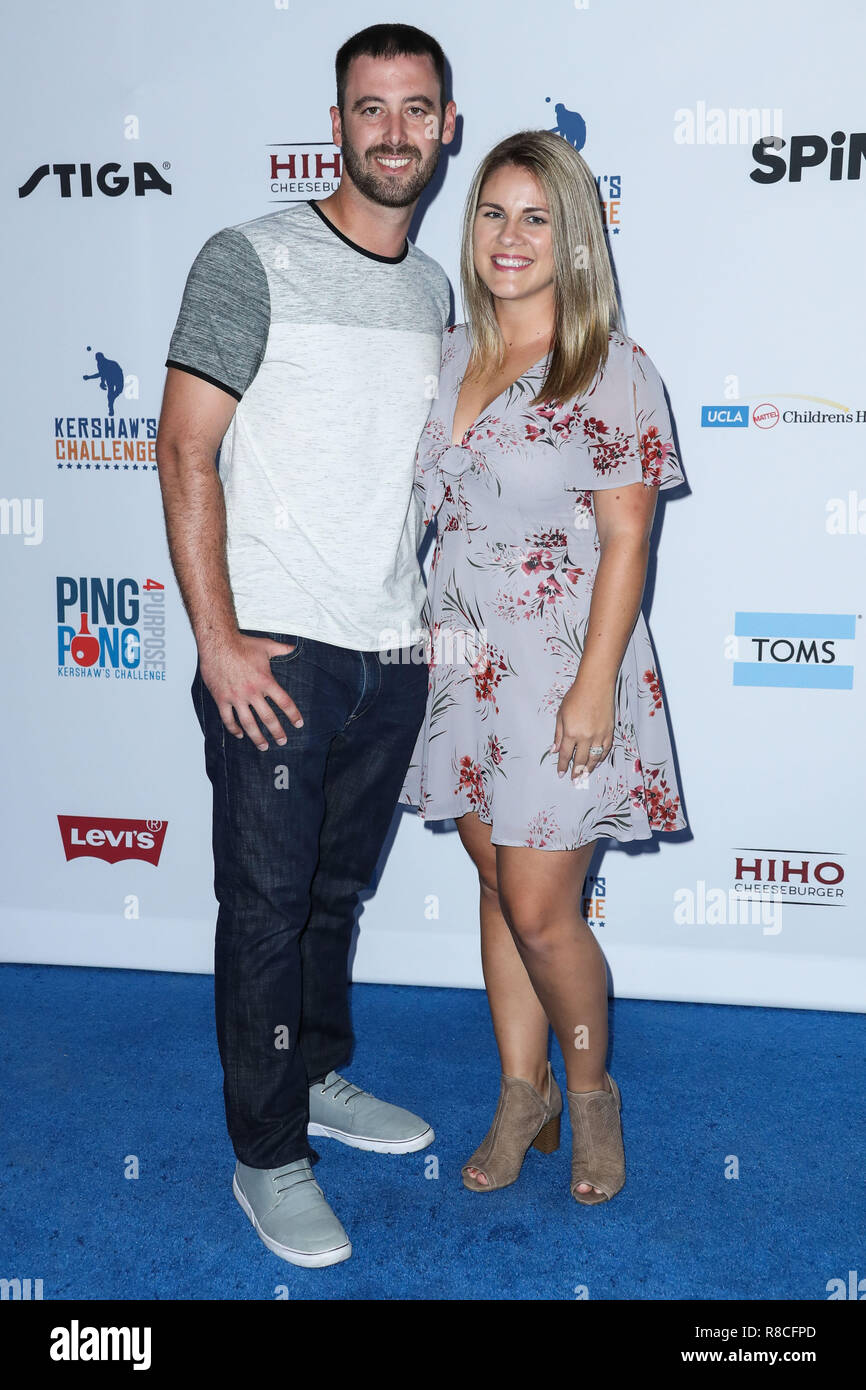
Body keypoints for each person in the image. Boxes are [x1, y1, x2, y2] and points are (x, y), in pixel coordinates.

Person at [155, 23, 457, 1267]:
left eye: (414, 109)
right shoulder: (249, 258)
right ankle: (267, 1152)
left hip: (389, 650)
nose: (391, 131)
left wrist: (426, 624)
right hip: (276, 651)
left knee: (334, 893)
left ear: (445, 122)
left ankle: (318, 1074)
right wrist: (218, 642)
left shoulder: (434, 286)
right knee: (267, 907)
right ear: (335, 124)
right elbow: (184, 448)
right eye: (367, 108)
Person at [401, 130, 686, 1204]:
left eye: (535, 218)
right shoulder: (438, 353)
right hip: (456, 661)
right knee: (493, 882)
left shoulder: (608, 367)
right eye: (490, 214)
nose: (509, 238)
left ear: (573, 238)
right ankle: (521, 1092)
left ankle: (590, 1087)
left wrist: (592, 683)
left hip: (563, 664)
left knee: (537, 906)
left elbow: (627, 540)